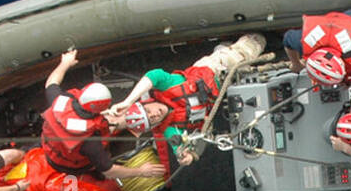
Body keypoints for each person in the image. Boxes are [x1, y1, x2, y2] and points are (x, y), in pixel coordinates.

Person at [107, 34, 266, 165]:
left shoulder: (166, 86)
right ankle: (222, 47)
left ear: (147, 103)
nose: (154, 115)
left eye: (148, 111)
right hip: (220, 93)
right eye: (151, 120)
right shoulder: (169, 129)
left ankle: (240, 45)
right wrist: (186, 156)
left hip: (216, 68)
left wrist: (128, 101)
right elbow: (181, 148)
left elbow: (152, 76)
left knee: (251, 48)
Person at [41, 49, 164, 181]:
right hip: (69, 164)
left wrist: (65, 63)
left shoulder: (59, 100)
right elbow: (109, 171)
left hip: (50, 145)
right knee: (99, 165)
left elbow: (51, 83)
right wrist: (141, 171)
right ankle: (92, 173)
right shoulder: (90, 143)